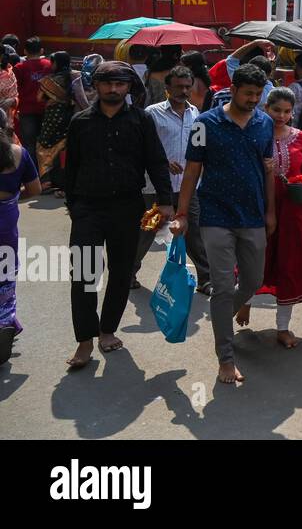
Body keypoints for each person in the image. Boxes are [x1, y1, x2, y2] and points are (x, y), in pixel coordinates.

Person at [63, 61, 173, 371]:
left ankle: (107, 330)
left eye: (120, 84)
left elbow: (156, 161)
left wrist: (165, 201)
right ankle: (84, 340)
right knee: (84, 273)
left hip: (127, 207)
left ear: (128, 87)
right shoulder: (80, 122)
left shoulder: (141, 120)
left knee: (122, 272)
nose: (114, 89)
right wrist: (73, 205)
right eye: (107, 83)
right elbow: (71, 167)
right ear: (95, 86)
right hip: (87, 208)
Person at [175, 63, 275, 385]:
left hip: (253, 215)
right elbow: (192, 170)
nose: (254, 100)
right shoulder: (206, 123)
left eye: (259, 94)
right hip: (215, 214)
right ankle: (226, 359)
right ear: (232, 90)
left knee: (252, 281)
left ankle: (222, 317)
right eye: (248, 93)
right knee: (221, 287)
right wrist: (181, 214)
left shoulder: (265, 123)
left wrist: (270, 212)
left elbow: (268, 170)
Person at [245, 88, 302, 348]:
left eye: (286, 111)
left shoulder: (300, 137)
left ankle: (283, 327)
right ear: (265, 108)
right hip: (259, 205)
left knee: (290, 265)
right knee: (253, 258)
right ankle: (244, 303)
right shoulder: (254, 133)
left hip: (293, 209)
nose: (281, 116)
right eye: (276, 110)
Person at [137, 66, 209, 294]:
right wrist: (163, 161)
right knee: (146, 232)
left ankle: (206, 279)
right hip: (156, 186)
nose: (184, 91)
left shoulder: (196, 114)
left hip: (188, 186)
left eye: (188, 87)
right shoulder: (152, 113)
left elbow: (200, 148)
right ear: (167, 88)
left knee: (195, 233)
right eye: (179, 87)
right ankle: (128, 273)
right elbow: (141, 148)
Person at [0, 111, 41, 366]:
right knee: (5, 279)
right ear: (7, 125)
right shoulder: (18, 154)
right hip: (6, 227)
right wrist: (12, 197)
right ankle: (4, 320)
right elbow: (35, 189)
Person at [35, 51, 74, 190]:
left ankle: (46, 180)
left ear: (56, 63)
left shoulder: (50, 80)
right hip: (70, 115)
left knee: (44, 145)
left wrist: (52, 99)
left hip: (53, 117)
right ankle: (62, 181)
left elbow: (39, 98)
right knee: (64, 146)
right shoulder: (76, 76)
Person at [14, 37, 52, 152]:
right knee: (46, 144)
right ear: (41, 51)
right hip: (46, 109)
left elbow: (16, 90)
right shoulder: (49, 65)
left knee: (29, 144)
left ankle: (31, 169)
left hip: (26, 111)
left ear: (25, 51)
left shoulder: (19, 68)